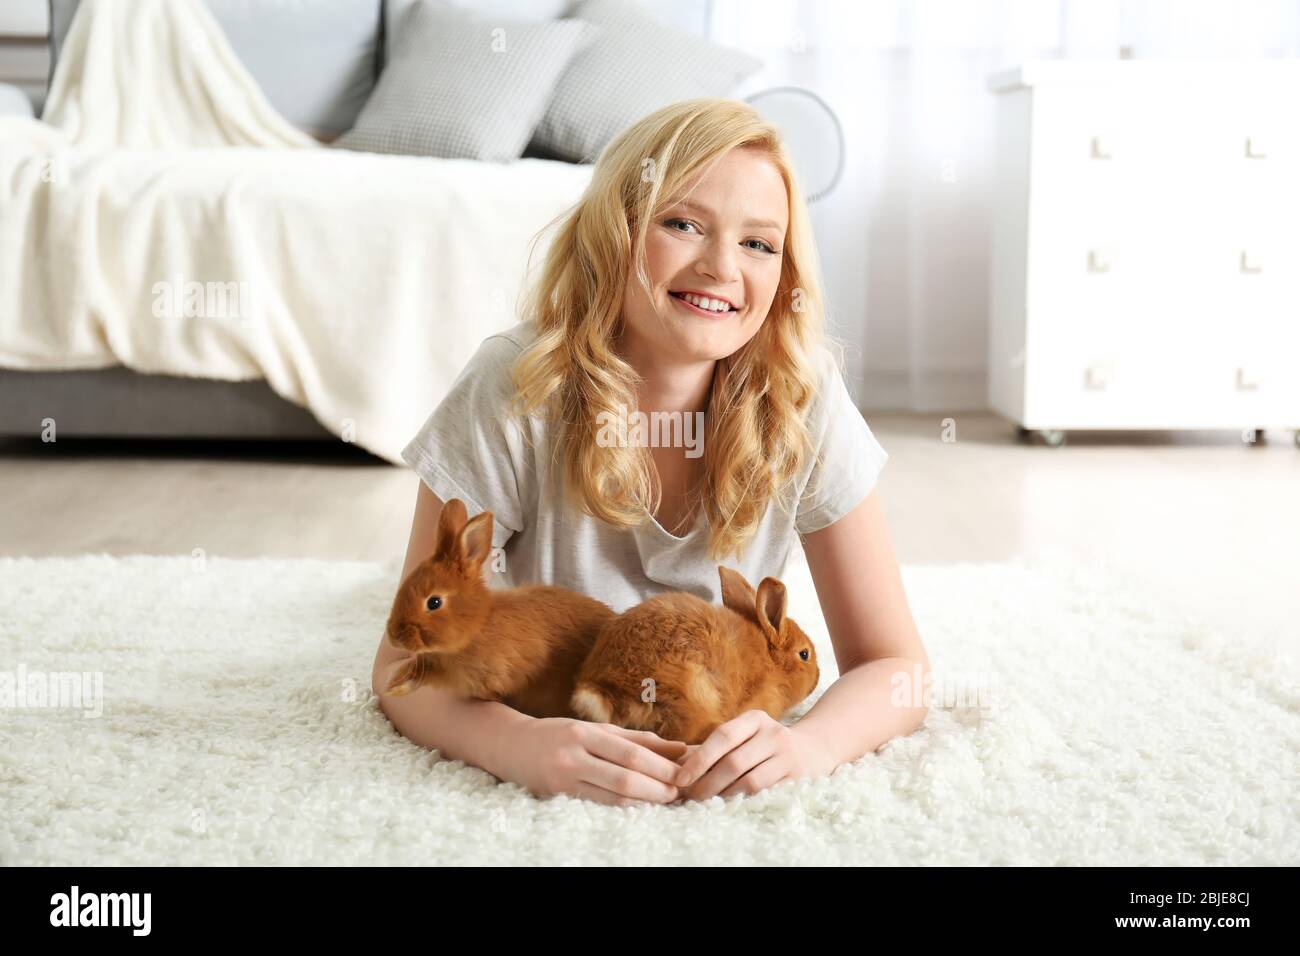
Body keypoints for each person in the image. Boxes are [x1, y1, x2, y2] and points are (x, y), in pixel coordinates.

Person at [372, 97, 930, 807]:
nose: (722, 266)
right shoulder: (514, 385)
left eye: (759, 244)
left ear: (784, 276)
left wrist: (806, 745)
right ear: (615, 234)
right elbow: (402, 662)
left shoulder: (801, 396)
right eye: (683, 224)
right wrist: (515, 743)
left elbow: (896, 665)